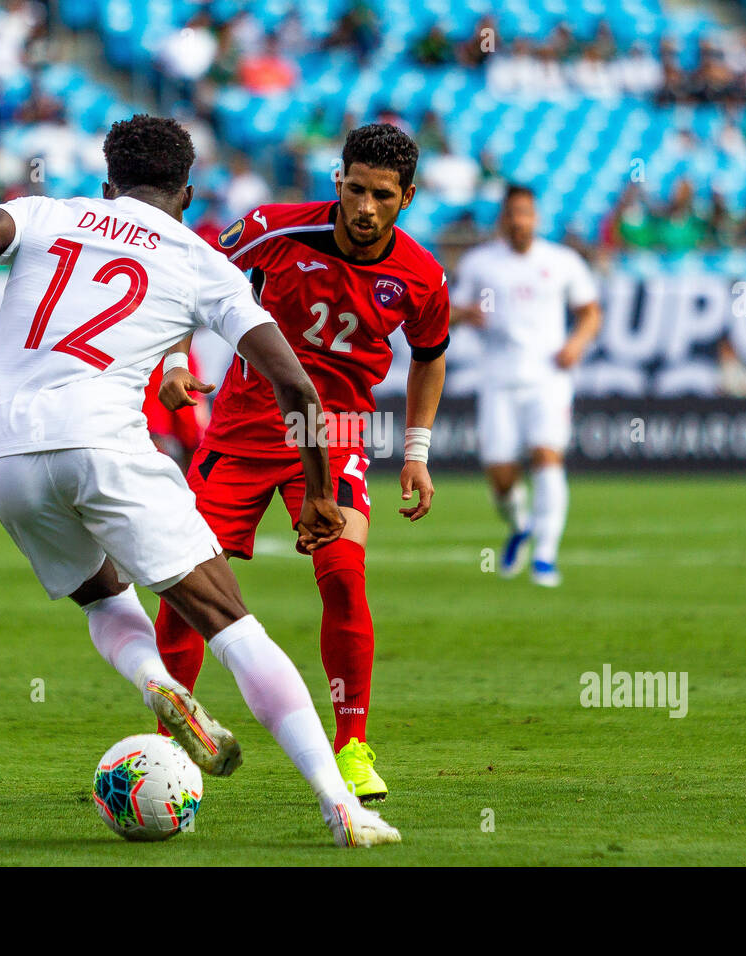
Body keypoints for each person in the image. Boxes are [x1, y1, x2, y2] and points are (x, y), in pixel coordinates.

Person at [0, 114, 399, 848]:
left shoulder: (44, 212)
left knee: (103, 596)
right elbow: (298, 390)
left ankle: (154, 678)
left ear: (106, 182)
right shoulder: (200, 257)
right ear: (186, 192)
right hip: (105, 442)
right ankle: (342, 807)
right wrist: (317, 492)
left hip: (6, 455)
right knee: (232, 626)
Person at [153, 124, 450, 803]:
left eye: (382, 195)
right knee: (185, 585)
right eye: (354, 189)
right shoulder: (268, 229)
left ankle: (350, 746)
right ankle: (174, 743)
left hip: (338, 435)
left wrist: (416, 452)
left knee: (344, 574)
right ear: (336, 182)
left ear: (407, 196)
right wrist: (174, 360)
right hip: (241, 431)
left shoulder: (423, 276)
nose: (365, 207)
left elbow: (429, 359)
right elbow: (188, 283)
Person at [451, 184, 602, 587]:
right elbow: (449, 312)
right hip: (498, 379)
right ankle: (521, 525)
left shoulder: (561, 261)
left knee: (547, 456)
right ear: (503, 218)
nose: (520, 220)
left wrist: (575, 345)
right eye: (513, 213)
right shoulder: (481, 263)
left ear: (536, 217)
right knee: (500, 475)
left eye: (526, 213)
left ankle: (546, 558)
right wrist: (465, 313)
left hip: (548, 378)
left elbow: (590, 312)